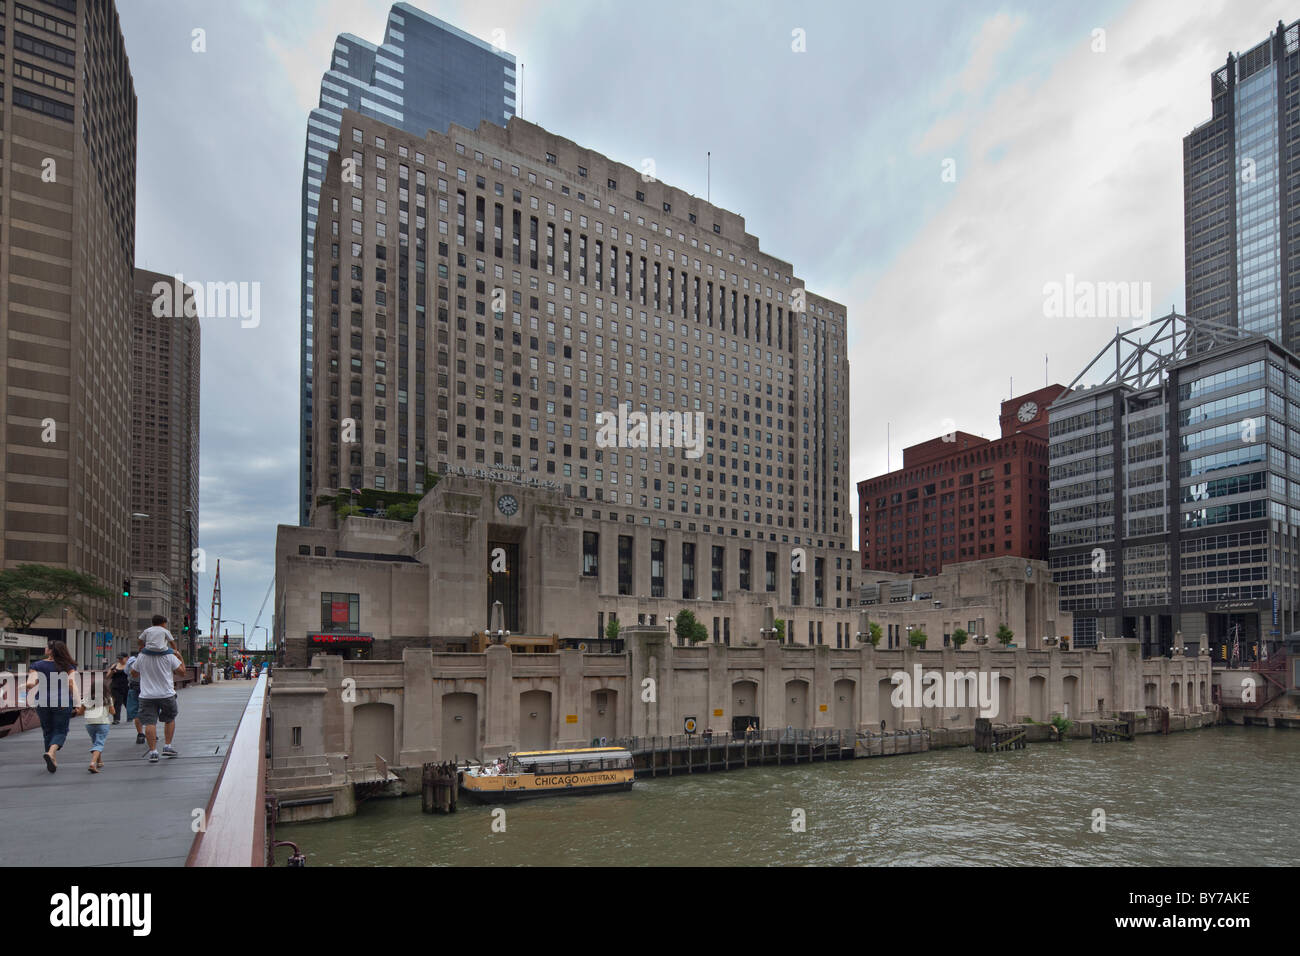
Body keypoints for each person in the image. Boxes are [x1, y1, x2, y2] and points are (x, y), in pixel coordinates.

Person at [25, 640, 82, 773]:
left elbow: (31, 683)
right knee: (61, 730)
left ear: (50, 651)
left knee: (47, 730)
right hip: (62, 702)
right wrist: (78, 703)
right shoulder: (68, 666)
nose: (45, 648)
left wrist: (28, 686)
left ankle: (51, 758)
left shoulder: (37, 665)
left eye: (47, 647)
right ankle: (51, 753)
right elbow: (72, 685)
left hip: (42, 702)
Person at [130, 639, 186, 763]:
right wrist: (180, 657)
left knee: (150, 723)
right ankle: (167, 746)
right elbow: (182, 672)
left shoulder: (142, 656)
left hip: (147, 695)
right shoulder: (169, 655)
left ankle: (153, 752)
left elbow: (133, 673)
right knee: (169, 719)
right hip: (166, 694)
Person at [82, 681, 112, 773]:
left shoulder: (86, 699)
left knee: (95, 741)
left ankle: (99, 761)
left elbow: (79, 712)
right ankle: (92, 763)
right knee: (99, 743)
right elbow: (113, 712)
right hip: (103, 723)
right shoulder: (107, 699)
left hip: (89, 724)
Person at [125, 641, 145, 744]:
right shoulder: (153, 659)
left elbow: (126, 672)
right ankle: (152, 732)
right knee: (151, 711)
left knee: (136, 712)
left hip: (134, 687)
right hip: (148, 689)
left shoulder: (132, 660)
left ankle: (140, 734)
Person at [108, 653, 130, 724]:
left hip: (127, 687)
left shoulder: (129, 666)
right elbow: (107, 676)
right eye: (119, 658)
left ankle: (130, 717)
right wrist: (112, 672)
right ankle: (116, 719)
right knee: (117, 702)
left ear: (126, 658)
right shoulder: (114, 665)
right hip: (116, 687)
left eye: (121, 658)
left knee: (128, 703)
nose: (120, 660)